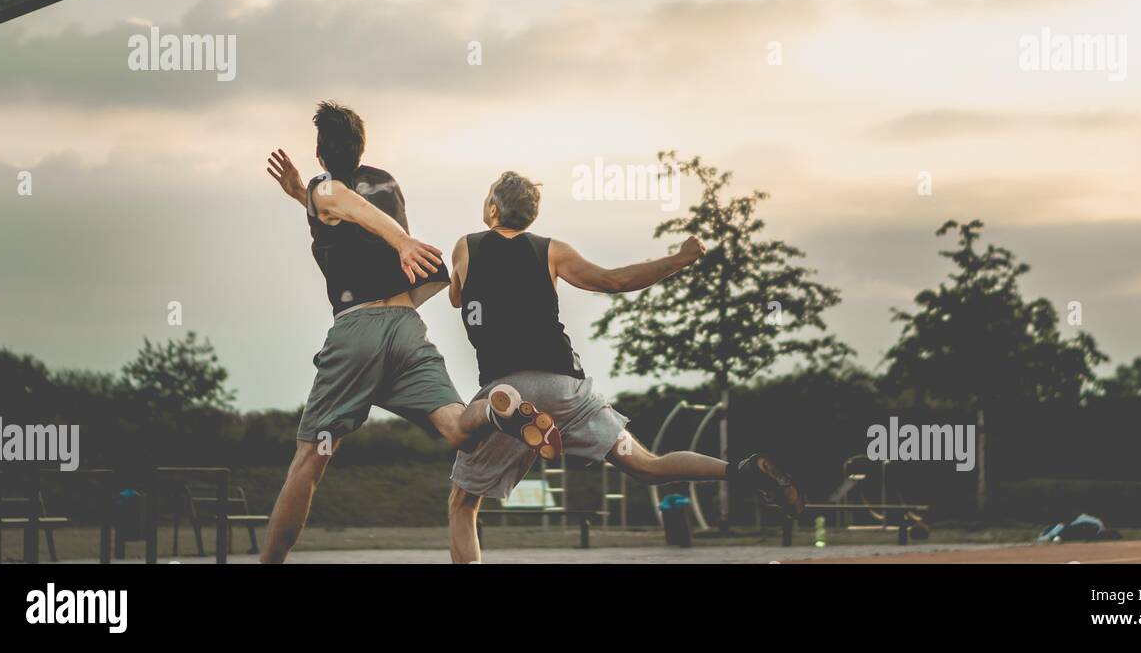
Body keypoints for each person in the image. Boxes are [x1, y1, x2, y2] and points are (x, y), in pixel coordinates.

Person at [444, 171, 803, 563]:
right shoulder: (552, 251)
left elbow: (457, 299)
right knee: (648, 465)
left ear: (492, 209)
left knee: (463, 503)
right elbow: (614, 281)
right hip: (566, 389)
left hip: (509, 394)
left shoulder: (466, 246)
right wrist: (679, 259)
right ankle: (744, 470)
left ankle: (510, 416)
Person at [260, 104, 557, 563]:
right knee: (459, 428)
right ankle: (499, 413)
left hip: (357, 331)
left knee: (310, 459)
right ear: (362, 148)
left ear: (320, 154)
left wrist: (399, 241)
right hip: (406, 330)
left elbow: (348, 207)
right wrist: (301, 193)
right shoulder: (385, 182)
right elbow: (347, 211)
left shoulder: (329, 188)